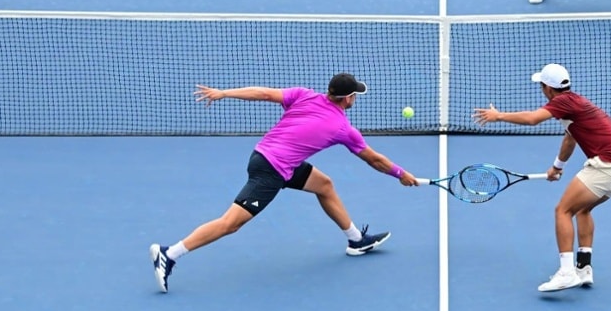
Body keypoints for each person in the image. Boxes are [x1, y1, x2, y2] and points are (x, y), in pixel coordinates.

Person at [148, 72, 418, 293]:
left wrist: (224, 92)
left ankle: (356, 240)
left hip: (266, 157)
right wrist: (401, 174)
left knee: (324, 185)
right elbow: (374, 160)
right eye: (354, 95)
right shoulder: (343, 129)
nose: (355, 99)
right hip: (271, 171)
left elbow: (264, 93)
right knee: (230, 224)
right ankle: (169, 254)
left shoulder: (304, 95)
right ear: (348, 98)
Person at [473, 63, 611, 292]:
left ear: (548, 88)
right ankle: (583, 268)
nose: (541, 89)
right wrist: (557, 167)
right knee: (582, 210)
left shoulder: (561, 102)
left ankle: (566, 272)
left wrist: (498, 115)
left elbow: (533, 118)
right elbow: (570, 139)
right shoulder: (574, 103)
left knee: (563, 211)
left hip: (608, 166)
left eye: (541, 85)